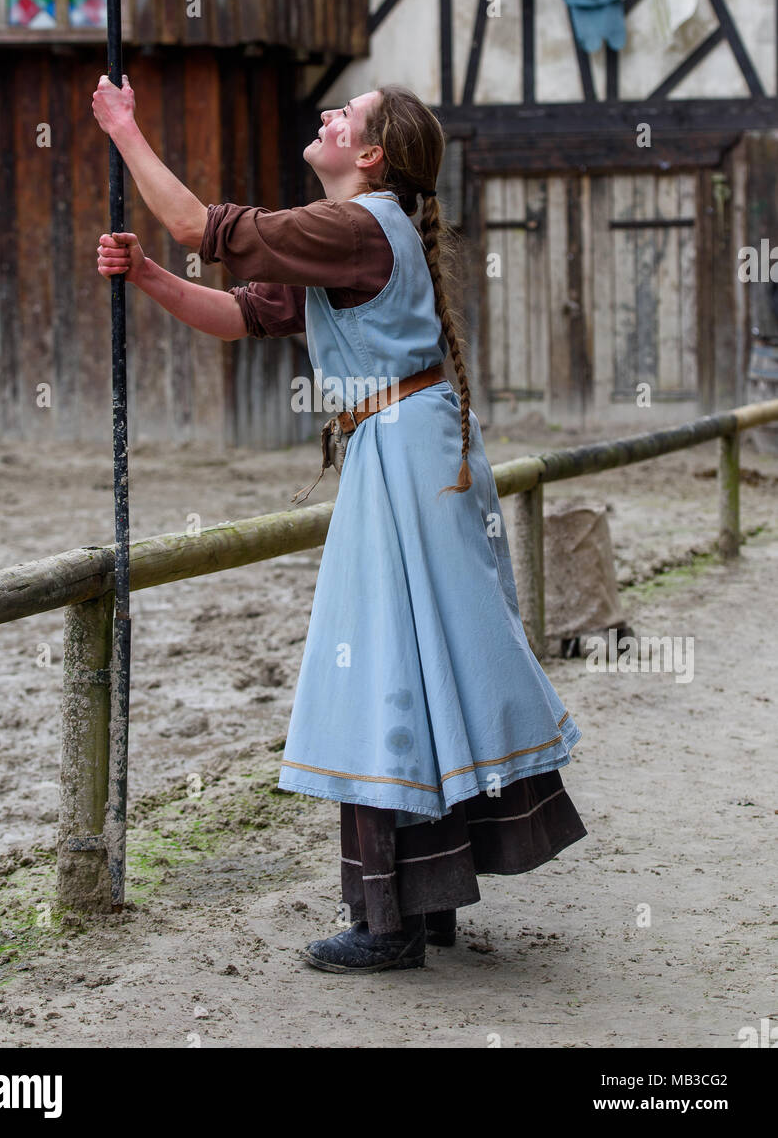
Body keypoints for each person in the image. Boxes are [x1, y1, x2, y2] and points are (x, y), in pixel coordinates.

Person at [92, 76, 587, 974]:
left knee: (385, 679)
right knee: (419, 670)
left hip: (403, 462)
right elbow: (239, 313)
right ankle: (423, 899)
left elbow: (204, 226)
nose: (326, 115)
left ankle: (391, 921)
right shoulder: (349, 238)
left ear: (370, 156)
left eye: (346, 116)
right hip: (404, 454)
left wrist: (126, 131)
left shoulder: (356, 225)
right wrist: (153, 279)